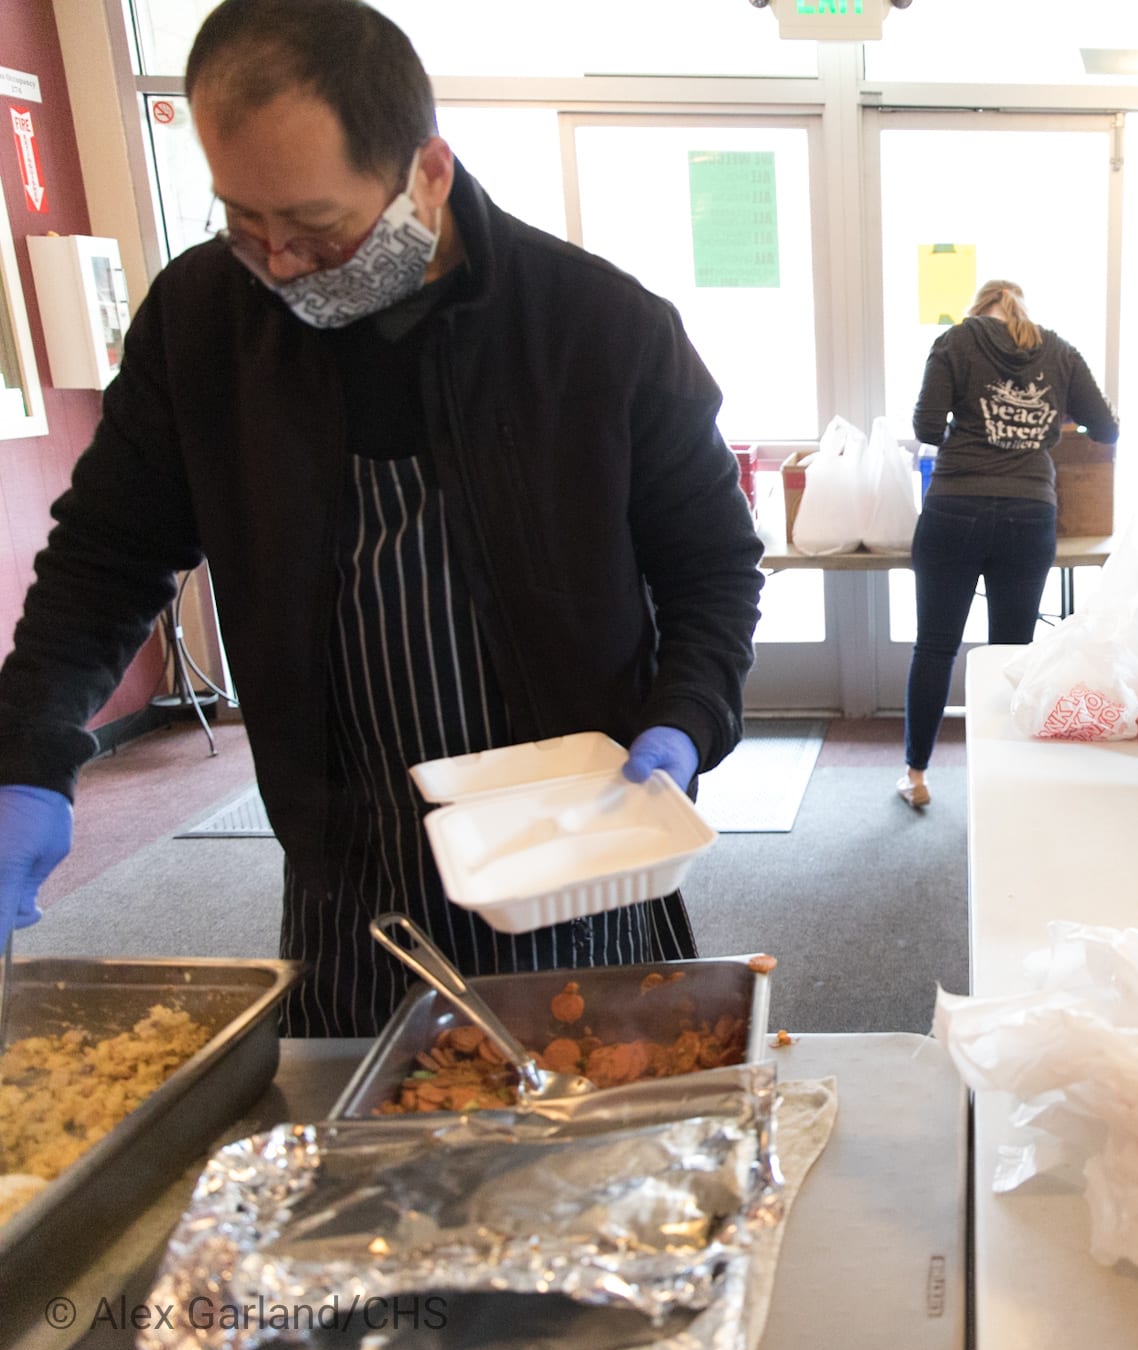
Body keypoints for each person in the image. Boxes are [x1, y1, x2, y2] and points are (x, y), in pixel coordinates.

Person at [0, 0, 765, 1035]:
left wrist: (687, 715)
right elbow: (105, 559)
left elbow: (711, 563)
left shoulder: (597, 328)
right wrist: (28, 751)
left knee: (600, 1128)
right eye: (243, 221)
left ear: (427, 174)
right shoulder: (201, 325)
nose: (278, 261)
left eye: (317, 228)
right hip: (347, 861)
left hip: (580, 847)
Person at [901, 280, 1117, 809]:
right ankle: (1005, 781)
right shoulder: (1060, 351)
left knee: (935, 646)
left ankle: (917, 776)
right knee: (1011, 652)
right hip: (1029, 513)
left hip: (955, 507)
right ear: (1019, 311)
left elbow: (927, 425)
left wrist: (971, 425)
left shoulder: (956, 341)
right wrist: (1046, 422)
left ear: (981, 309)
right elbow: (1106, 428)